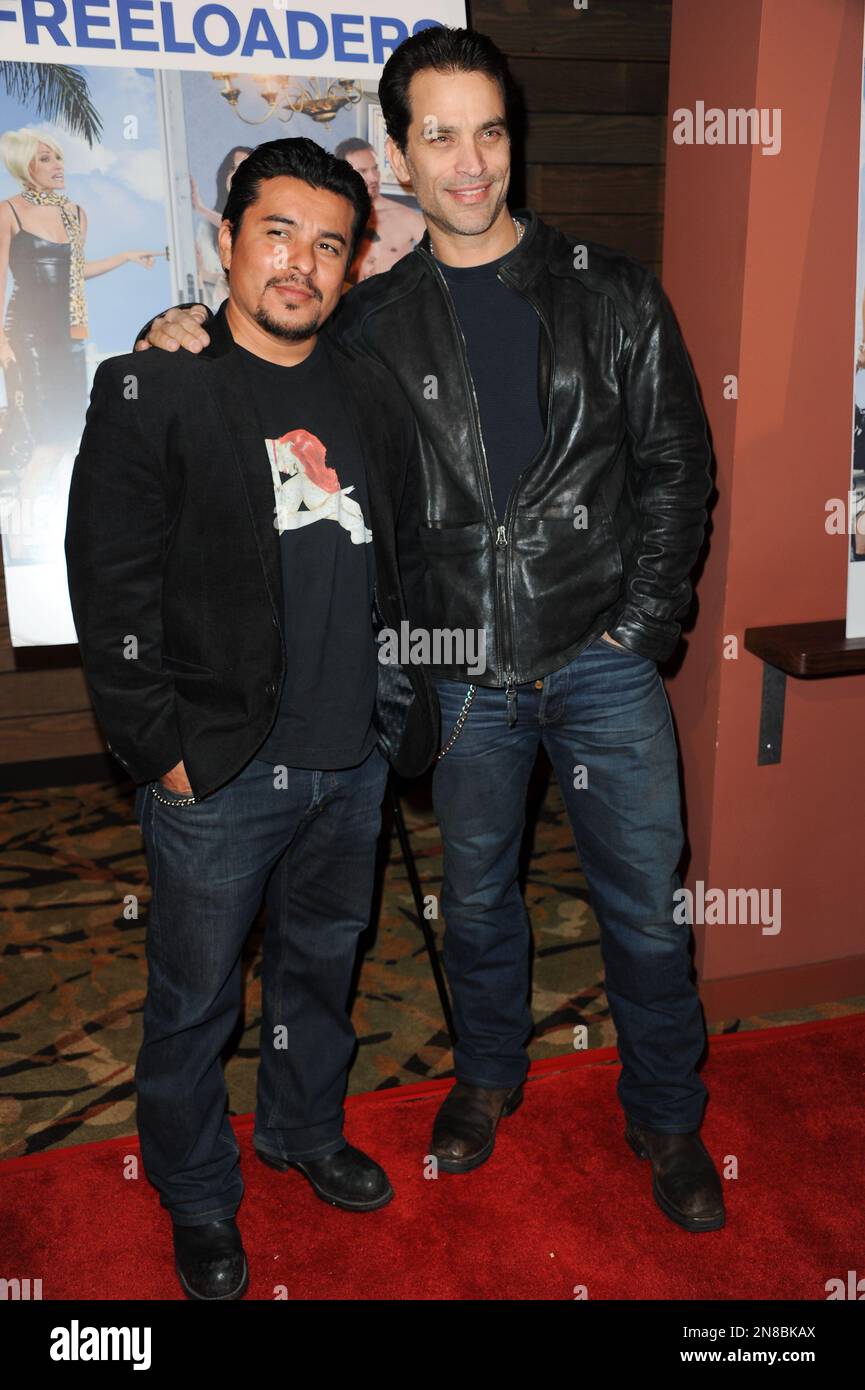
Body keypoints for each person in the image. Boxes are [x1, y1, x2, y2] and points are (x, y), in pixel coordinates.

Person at [134, 25, 724, 1235]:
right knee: (480, 901)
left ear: (516, 142)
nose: (470, 162)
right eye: (439, 134)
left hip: (602, 663)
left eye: (490, 131)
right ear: (400, 155)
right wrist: (171, 330)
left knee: (646, 909)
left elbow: (676, 466)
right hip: (455, 672)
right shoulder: (370, 320)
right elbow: (267, 352)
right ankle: (487, 1076)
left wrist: (641, 627)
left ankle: (667, 1115)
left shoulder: (611, 290)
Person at [66, 137, 438, 1300]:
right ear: (224, 241)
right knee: (194, 1003)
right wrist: (160, 754)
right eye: (275, 232)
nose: (300, 263)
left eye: (329, 243)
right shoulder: (154, 384)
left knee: (324, 973)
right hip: (217, 771)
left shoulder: (369, 383)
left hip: (350, 759)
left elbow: (406, 554)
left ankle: (302, 1130)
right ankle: (194, 1191)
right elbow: (109, 586)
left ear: (352, 261)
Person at [0, 128, 162, 562]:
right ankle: (19, 535)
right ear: (24, 166)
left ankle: (62, 535)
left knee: (73, 434)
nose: (58, 166)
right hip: (27, 334)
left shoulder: (75, 213)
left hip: (68, 337)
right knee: (45, 438)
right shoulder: (8, 212)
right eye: (46, 159)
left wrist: (125, 256)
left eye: (58, 157)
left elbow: (75, 272)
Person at [334, 137, 424, 283]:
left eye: (375, 168)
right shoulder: (336, 218)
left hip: (396, 302)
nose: (373, 177)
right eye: (363, 171)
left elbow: (443, 264)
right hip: (351, 302)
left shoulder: (405, 217)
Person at [190, 145, 253, 310]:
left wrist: (200, 208)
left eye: (244, 168)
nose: (236, 174)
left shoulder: (267, 219)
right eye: (232, 168)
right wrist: (201, 273)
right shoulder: (207, 226)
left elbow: (241, 228)